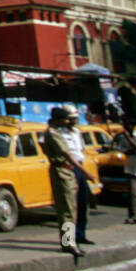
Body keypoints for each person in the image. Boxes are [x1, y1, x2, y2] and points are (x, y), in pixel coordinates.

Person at [44, 106, 86, 258]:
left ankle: (70, 241)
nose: (67, 121)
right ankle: (68, 243)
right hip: (61, 171)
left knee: (70, 208)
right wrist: (84, 171)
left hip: (65, 171)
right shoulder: (53, 133)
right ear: (58, 119)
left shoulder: (57, 132)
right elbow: (66, 154)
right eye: (65, 119)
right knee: (67, 210)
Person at [61, 106, 93, 246]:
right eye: (71, 119)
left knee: (82, 203)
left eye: (75, 119)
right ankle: (68, 240)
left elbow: (80, 151)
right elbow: (67, 155)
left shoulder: (77, 132)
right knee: (69, 207)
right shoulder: (59, 134)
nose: (73, 122)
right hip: (68, 169)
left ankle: (80, 234)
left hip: (80, 167)